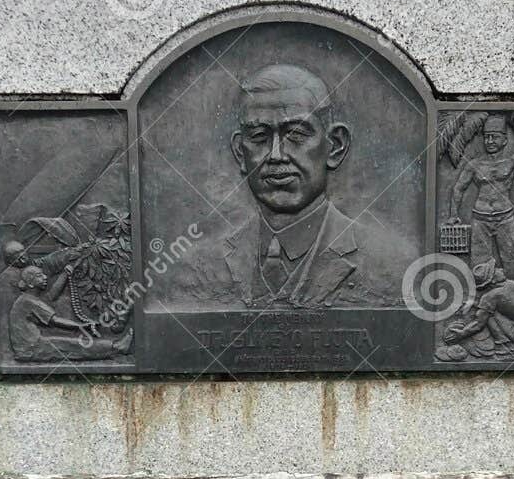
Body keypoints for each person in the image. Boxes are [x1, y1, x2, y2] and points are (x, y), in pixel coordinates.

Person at [174, 64, 409, 309]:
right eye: (259, 137)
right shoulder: (197, 267)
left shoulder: (394, 264)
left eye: (296, 135)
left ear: (335, 146)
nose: (276, 155)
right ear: (240, 153)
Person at [446, 113, 514, 282]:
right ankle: (484, 300)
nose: (490, 141)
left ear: (505, 140)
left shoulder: (512, 161)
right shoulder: (475, 164)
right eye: (487, 137)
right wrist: (453, 215)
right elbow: (459, 188)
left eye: (495, 137)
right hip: (480, 219)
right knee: (479, 264)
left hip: (505, 218)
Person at [442, 260, 514, 360]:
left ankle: (505, 349)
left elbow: (478, 324)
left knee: (490, 316)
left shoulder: (490, 297)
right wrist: (475, 304)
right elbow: (510, 305)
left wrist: (461, 334)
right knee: (489, 310)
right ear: (492, 280)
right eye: (495, 270)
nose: (500, 269)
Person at [7, 265, 86, 360]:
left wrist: (64, 275)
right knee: (79, 346)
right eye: (39, 275)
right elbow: (55, 321)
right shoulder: (29, 301)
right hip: (32, 349)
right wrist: (83, 326)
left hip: (29, 347)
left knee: (74, 344)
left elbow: (51, 296)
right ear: (31, 284)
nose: (45, 277)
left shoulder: (27, 298)